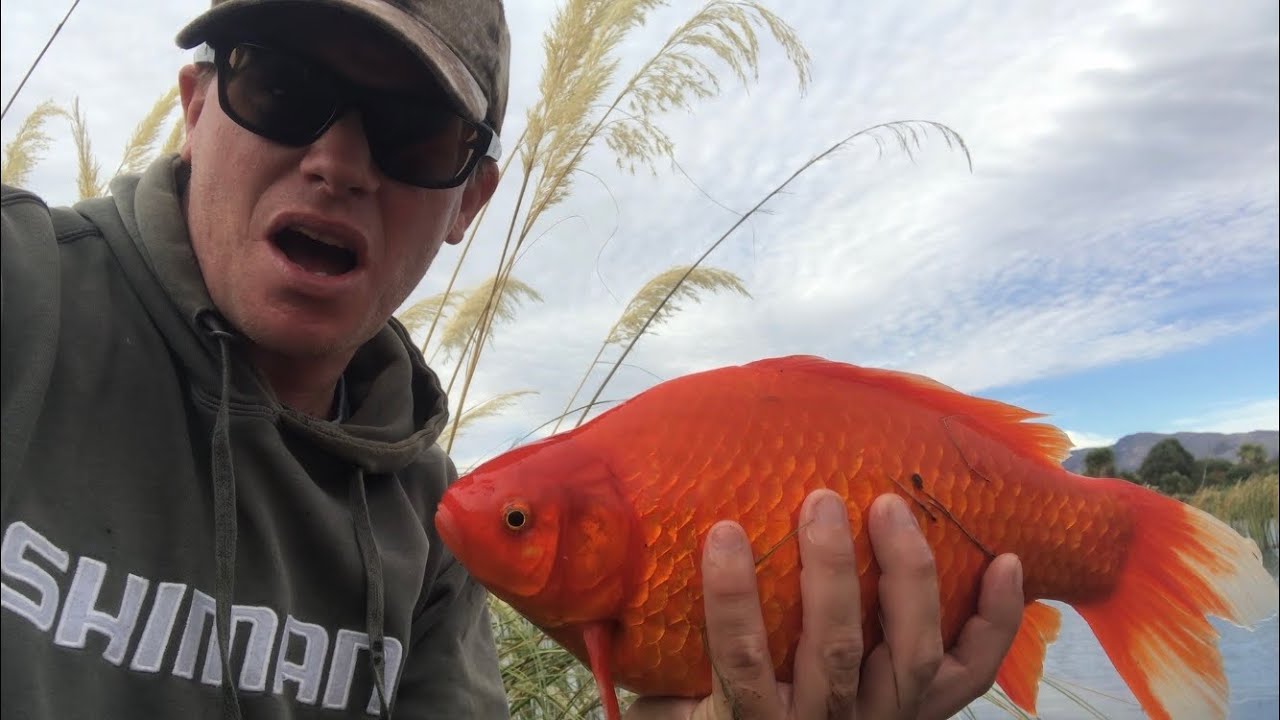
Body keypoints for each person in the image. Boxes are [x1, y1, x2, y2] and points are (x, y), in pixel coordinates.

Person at [0, 0, 1025, 718]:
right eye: (281, 83)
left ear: (470, 203)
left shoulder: (429, 533)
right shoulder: (27, 294)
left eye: (411, 129)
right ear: (193, 106)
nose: (337, 161)